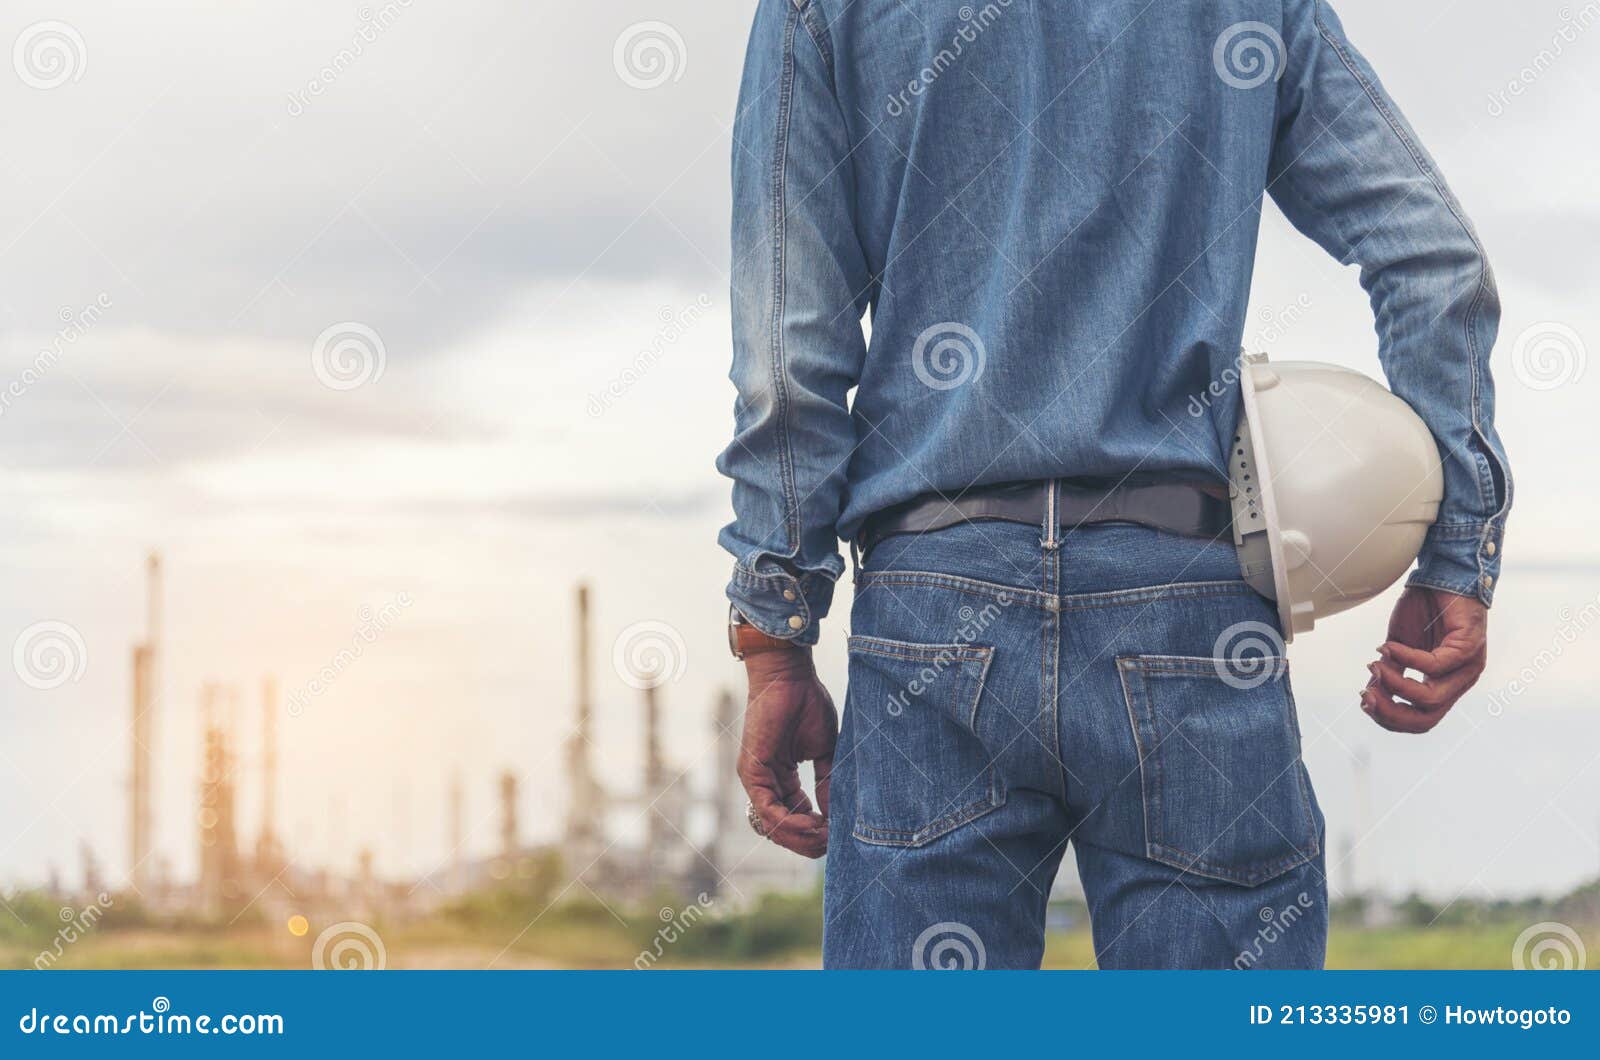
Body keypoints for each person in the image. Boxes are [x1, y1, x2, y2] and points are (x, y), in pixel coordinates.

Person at [716, 0, 1509, 970]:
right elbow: (1435, 263)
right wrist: (1455, 551)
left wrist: (774, 630)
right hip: (1189, 609)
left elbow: (785, 353)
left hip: (932, 616)